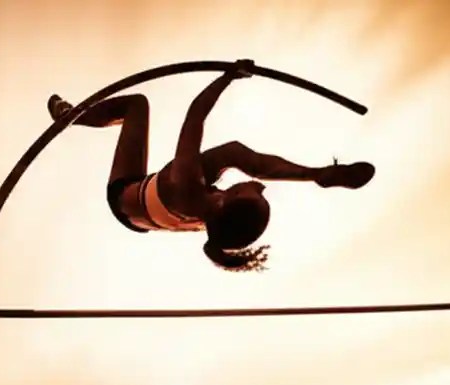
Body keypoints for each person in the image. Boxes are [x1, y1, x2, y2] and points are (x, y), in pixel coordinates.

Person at [48, 59, 375, 272]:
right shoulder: (218, 221)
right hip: (152, 210)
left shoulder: (188, 182)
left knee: (138, 106)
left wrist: (228, 77)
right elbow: (249, 191)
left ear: (228, 200)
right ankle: (317, 175)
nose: (260, 187)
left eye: (256, 195)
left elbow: (196, 115)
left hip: (125, 196)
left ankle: (72, 116)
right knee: (233, 155)